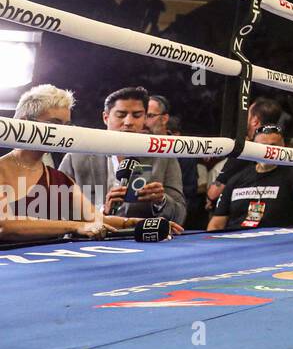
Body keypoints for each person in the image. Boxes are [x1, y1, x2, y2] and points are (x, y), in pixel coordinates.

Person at [0, 85, 181, 242]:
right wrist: (73, 226)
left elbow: (93, 218)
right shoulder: (2, 169)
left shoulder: (59, 179)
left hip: (48, 268)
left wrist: (136, 222)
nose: (61, 132)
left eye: (66, 125)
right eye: (54, 124)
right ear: (24, 123)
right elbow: (4, 225)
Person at [59, 86, 186, 225]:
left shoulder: (163, 156)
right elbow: (55, 210)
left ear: (144, 118)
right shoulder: (77, 155)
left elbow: (180, 216)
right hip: (89, 240)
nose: (129, 122)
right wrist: (100, 212)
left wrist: (161, 201)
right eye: (121, 115)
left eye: (137, 115)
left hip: (142, 239)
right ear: (105, 117)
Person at [207, 130, 293, 230]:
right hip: (237, 241)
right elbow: (217, 223)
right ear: (253, 148)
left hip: (276, 243)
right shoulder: (237, 179)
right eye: (263, 147)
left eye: (273, 146)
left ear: (283, 147)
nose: (268, 152)